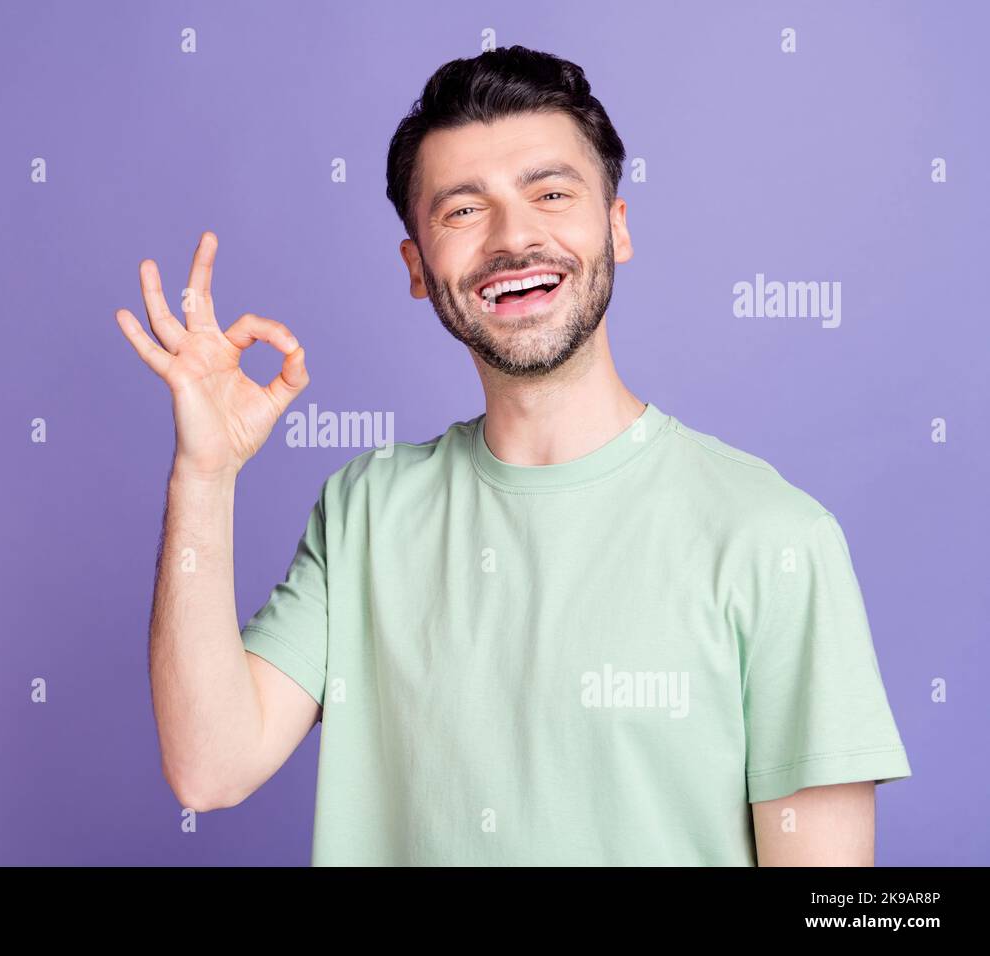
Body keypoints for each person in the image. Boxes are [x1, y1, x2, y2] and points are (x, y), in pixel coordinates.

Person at [114, 46, 911, 866]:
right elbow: (210, 768)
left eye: (552, 194)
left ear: (617, 226)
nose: (515, 237)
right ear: (418, 269)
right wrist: (204, 475)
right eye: (463, 211)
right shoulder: (365, 511)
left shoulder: (775, 536)